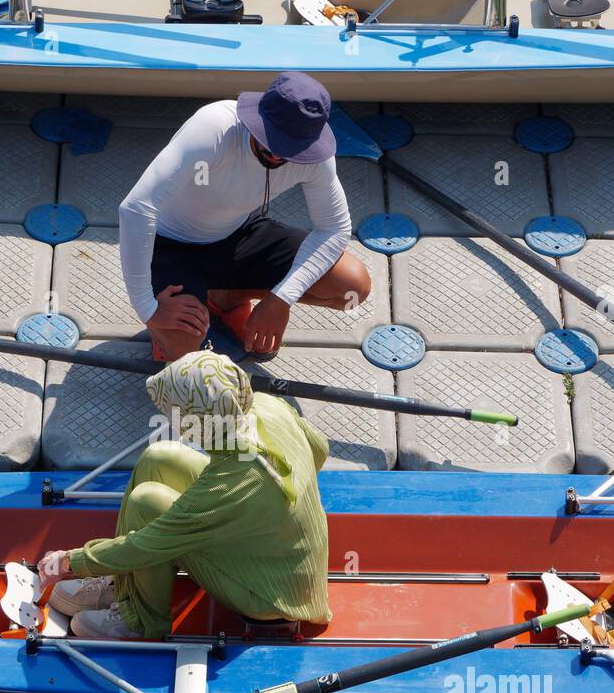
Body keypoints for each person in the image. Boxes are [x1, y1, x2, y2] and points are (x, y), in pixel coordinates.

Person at [37, 350, 332, 639]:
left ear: (201, 420)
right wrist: (269, 510)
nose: (173, 424)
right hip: (279, 552)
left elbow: (149, 543)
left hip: (271, 597)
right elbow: (319, 448)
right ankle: (125, 584)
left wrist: (69, 562)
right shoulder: (267, 406)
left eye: (177, 415)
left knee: (147, 503)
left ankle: (140, 622)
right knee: (158, 456)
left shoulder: (233, 481)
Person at [118, 71, 371, 362]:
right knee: (187, 354)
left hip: (239, 234)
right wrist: (149, 310)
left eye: (291, 149)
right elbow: (137, 208)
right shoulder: (212, 127)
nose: (277, 155)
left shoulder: (316, 156)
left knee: (352, 286)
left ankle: (227, 300)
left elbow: (334, 230)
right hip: (169, 244)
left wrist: (281, 298)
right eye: (271, 140)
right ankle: (172, 331)